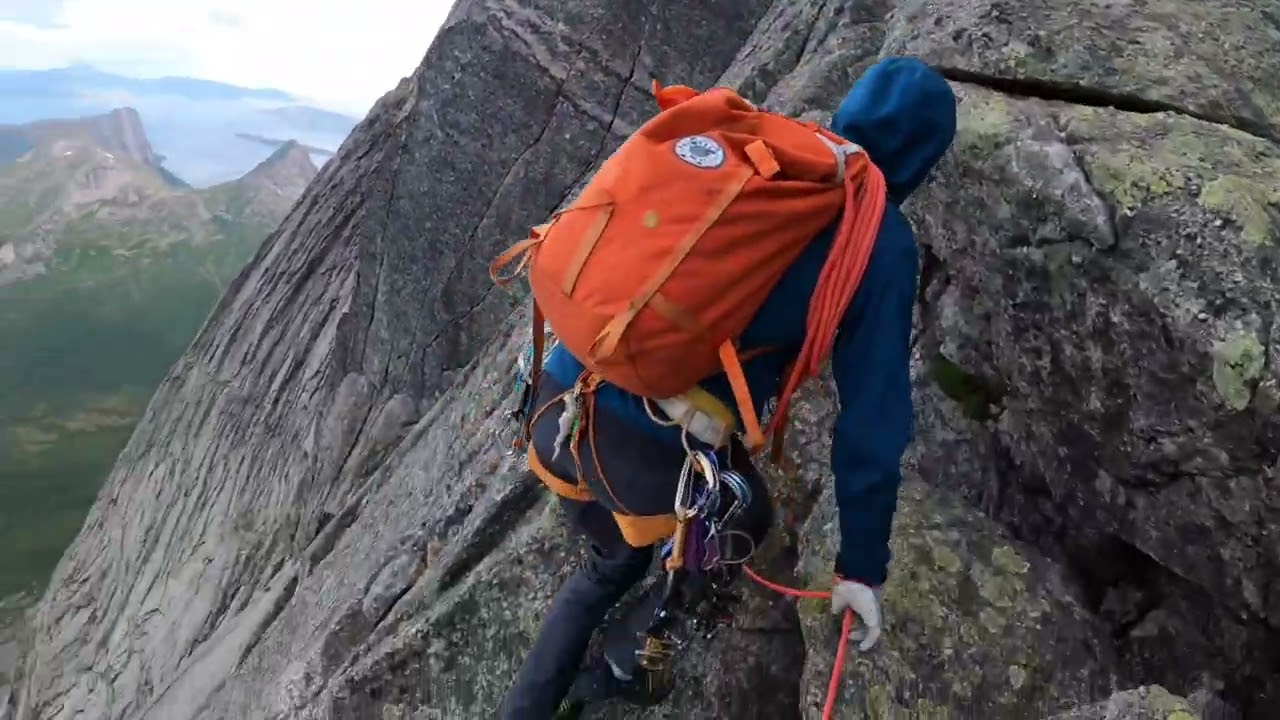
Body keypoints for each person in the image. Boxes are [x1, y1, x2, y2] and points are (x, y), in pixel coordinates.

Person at [496, 56, 957, 719]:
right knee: (745, 516)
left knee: (612, 558)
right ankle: (631, 657)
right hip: (638, 457)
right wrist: (860, 567)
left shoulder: (762, 146)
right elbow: (872, 419)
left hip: (555, 392)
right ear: (922, 156)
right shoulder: (879, 240)